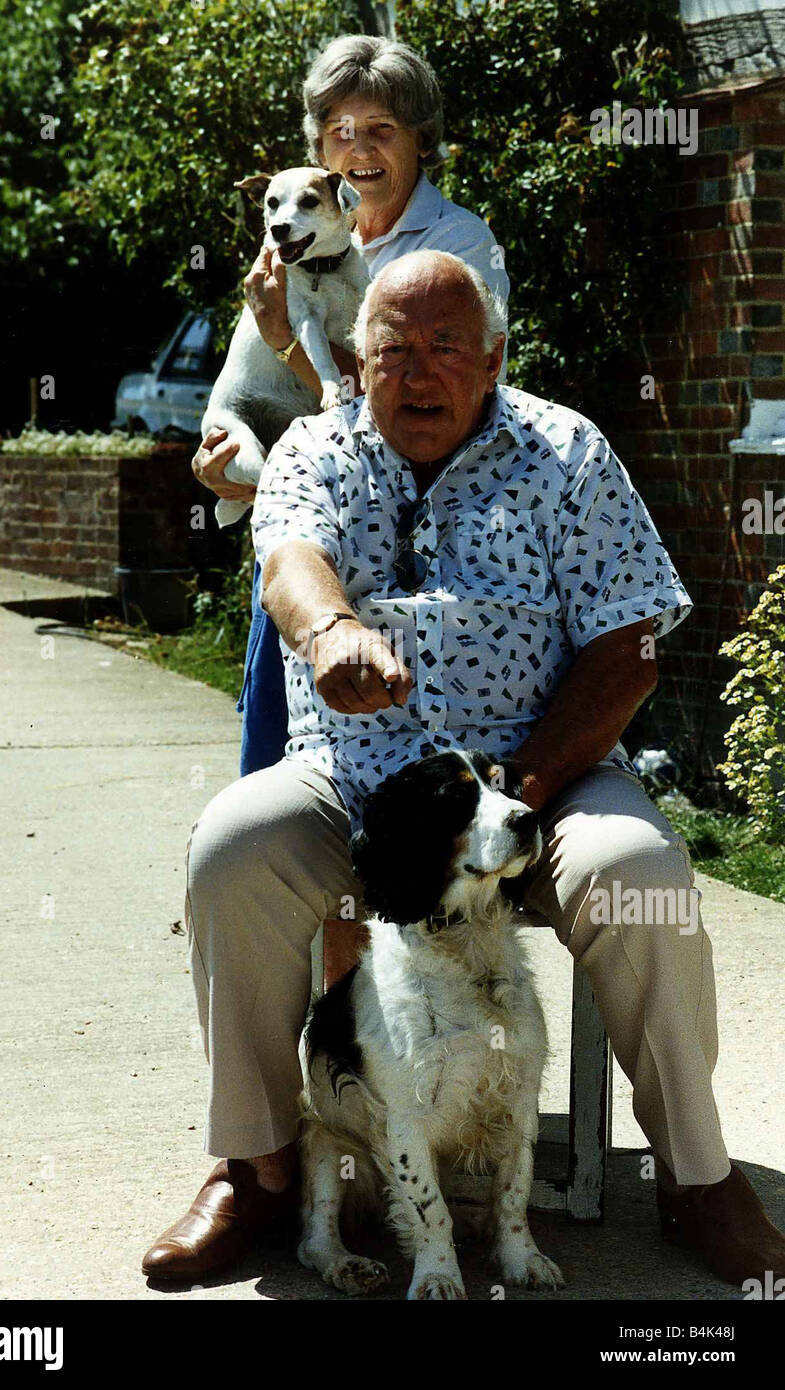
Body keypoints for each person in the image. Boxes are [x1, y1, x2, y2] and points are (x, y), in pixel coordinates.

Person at [142, 250, 785, 1287]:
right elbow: (289, 564)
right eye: (394, 348)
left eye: (447, 346)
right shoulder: (315, 447)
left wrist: (521, 788)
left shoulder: (566, 452)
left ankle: (698, 1178)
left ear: (492, 359)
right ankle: (258, 1168)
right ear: (355, 361)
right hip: (358, 779)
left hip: (547, 775)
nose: (420, 370)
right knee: (231, 847)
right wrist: (334, 632)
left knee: (642, 874)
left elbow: (631, 647)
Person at [192, 33, 510, 776]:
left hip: (424, 561)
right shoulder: (298, 236)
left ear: (421, 142)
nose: (356, 148)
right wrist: (230, 467)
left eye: (380, 130)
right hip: (307, 556)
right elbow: (263, 393)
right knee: (283, 785)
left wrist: (284, 339)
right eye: (338, 130)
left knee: (421, 787)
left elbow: (421, 402)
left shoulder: (458, 246)